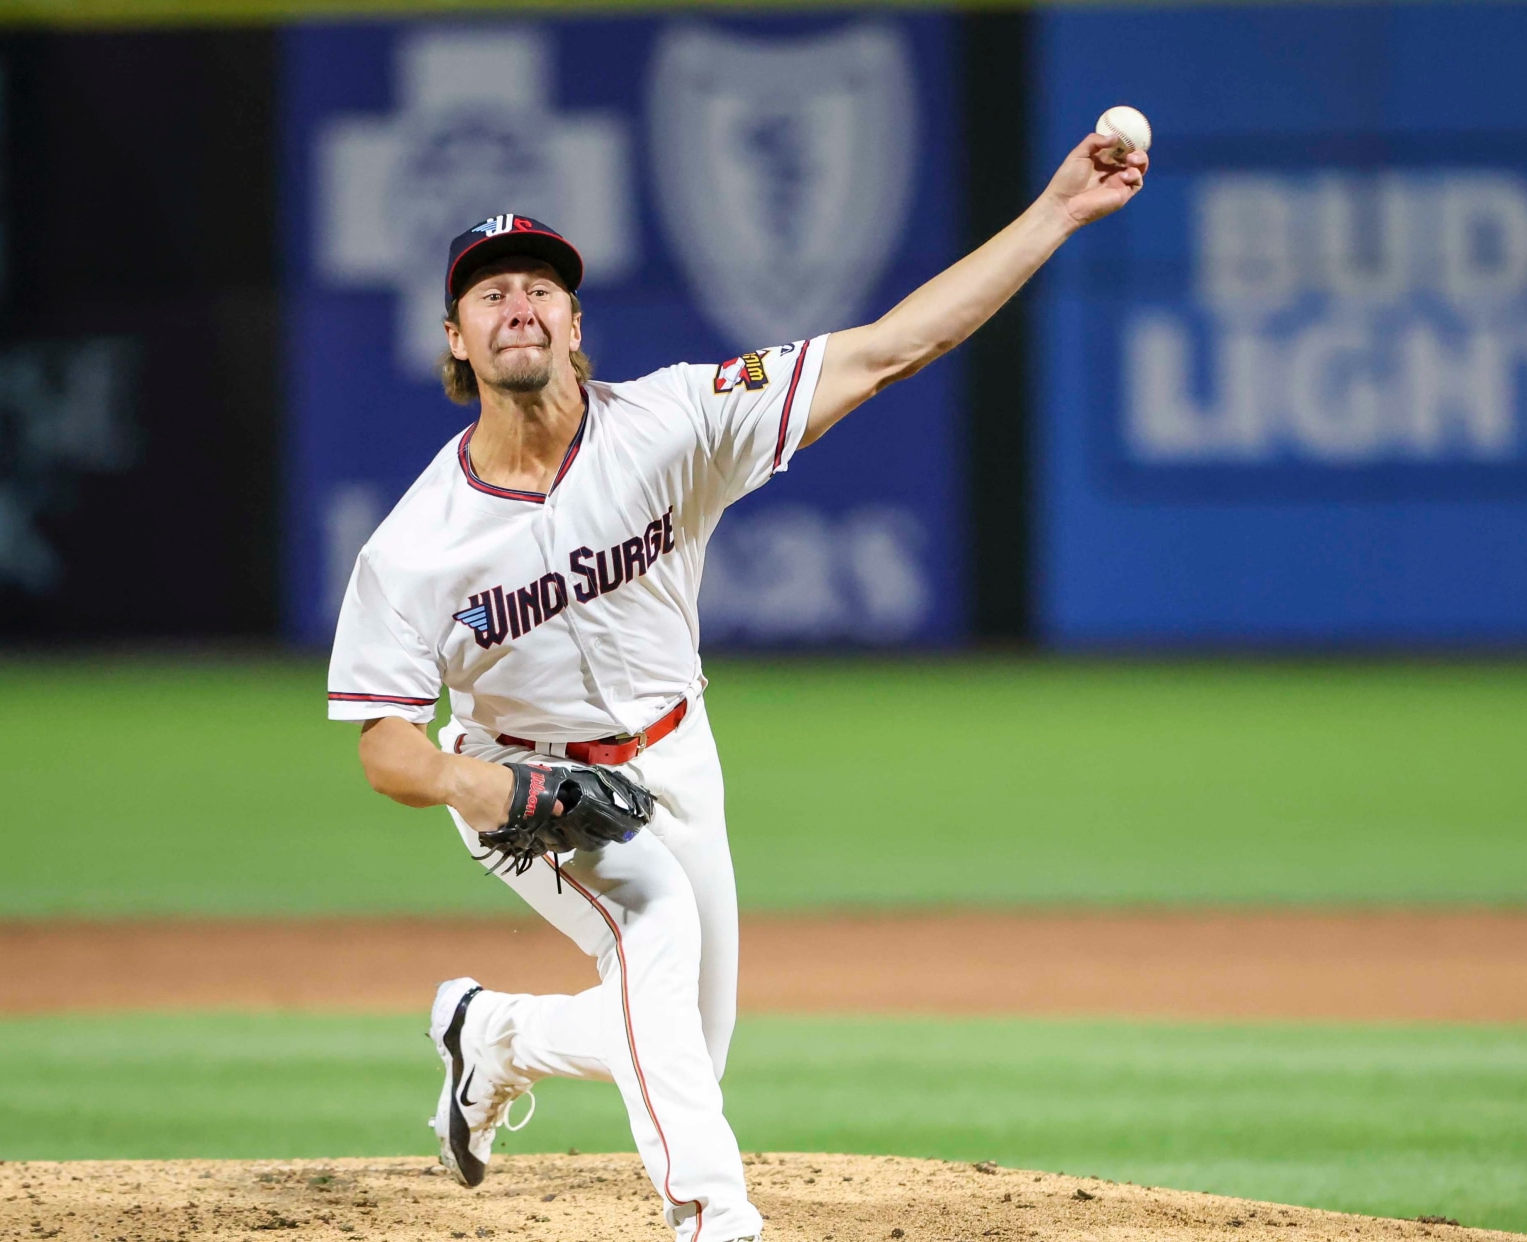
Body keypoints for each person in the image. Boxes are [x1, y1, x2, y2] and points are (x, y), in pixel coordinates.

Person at [326, 131, 1148, 1242]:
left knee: (687, 1047)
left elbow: (890, 349)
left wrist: (1053, 210)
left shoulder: (673, 422)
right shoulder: (415, 544)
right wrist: (487, 792)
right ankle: (716, 1216)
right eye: (489, 292)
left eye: (541, 287)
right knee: (654, 924)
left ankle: (494, 1033)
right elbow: (385, 747)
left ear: (575, 325)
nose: (518, 303)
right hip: (531, 785)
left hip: (677, 751)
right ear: (455, 340)